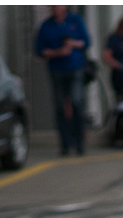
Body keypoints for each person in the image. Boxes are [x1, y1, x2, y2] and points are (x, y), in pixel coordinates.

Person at [35, 6, 90, 156]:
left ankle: (79, 142)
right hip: (57, 69)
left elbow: (86, 41)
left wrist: (72, 44)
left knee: (76, 102)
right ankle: (65, 144)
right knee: (60, 107)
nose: (55, 8)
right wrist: (59, 52)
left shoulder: (75, 20)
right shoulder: (46, 26)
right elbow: (40, 51)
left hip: (75, 67)